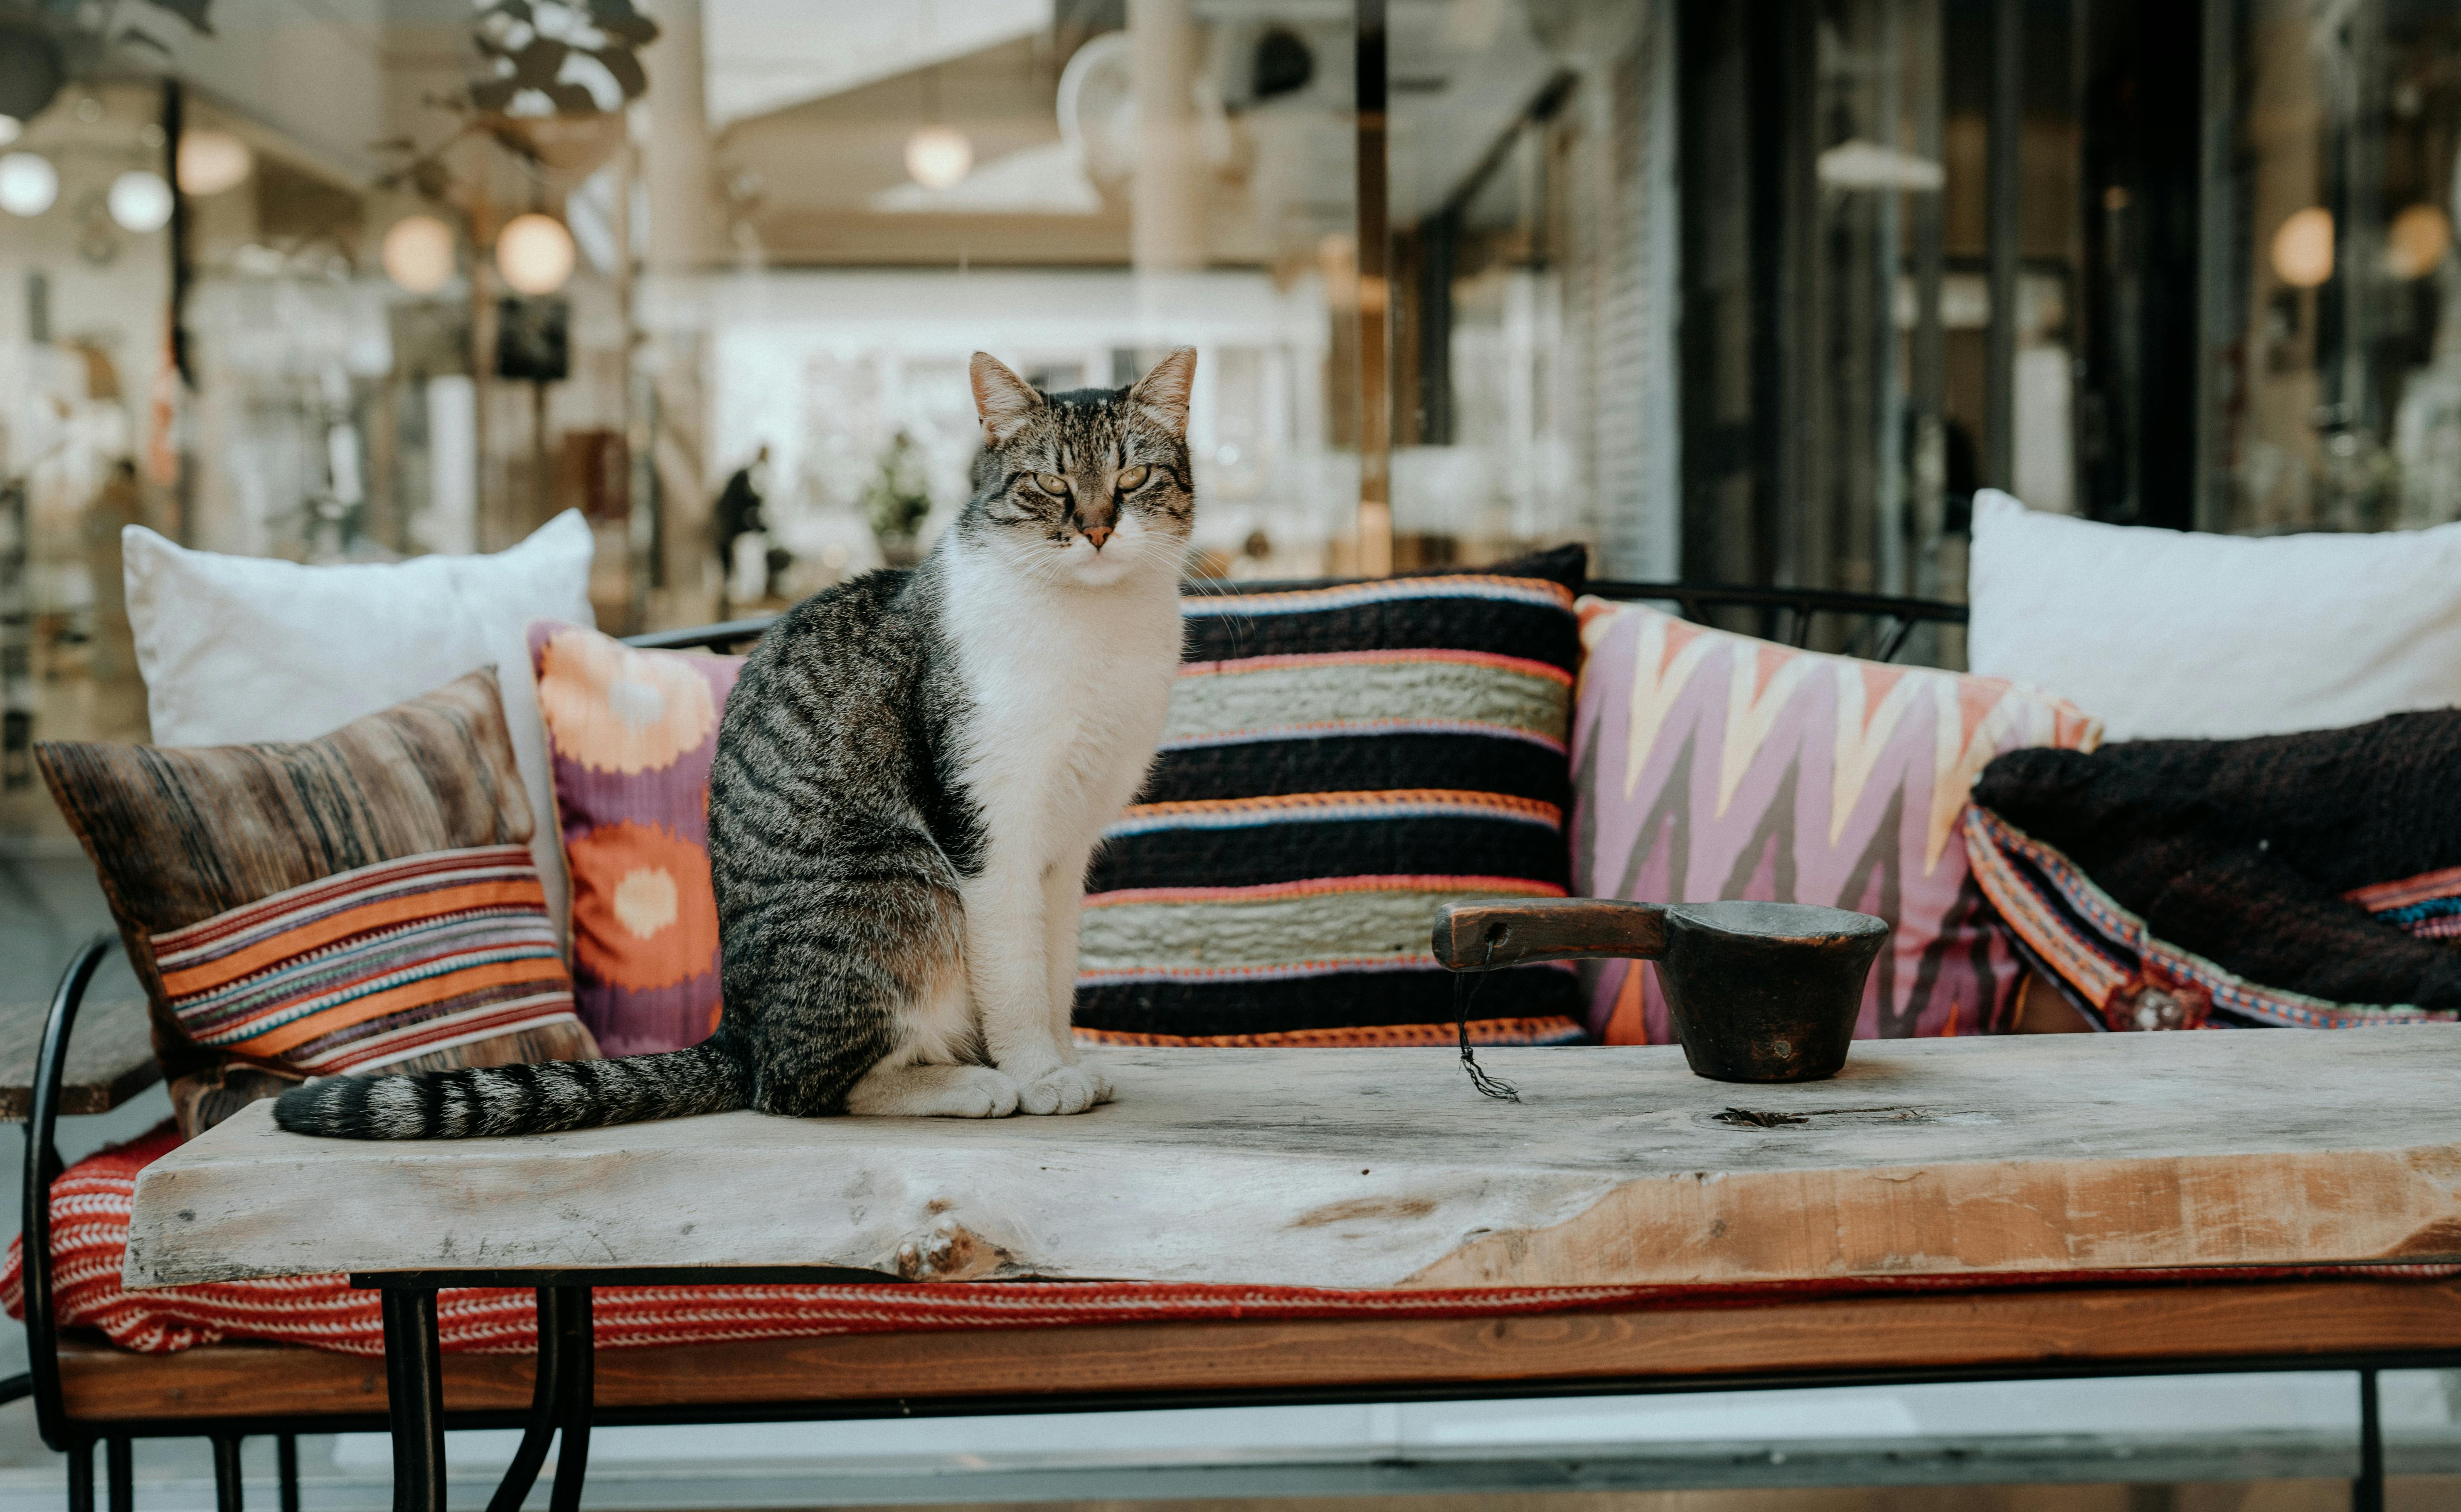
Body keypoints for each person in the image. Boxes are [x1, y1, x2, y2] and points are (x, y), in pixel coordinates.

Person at [713, 445, 770, 608]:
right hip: (744, 532)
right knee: (747, 576)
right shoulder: (749, 476)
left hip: (744, 532)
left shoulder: (748, 476)